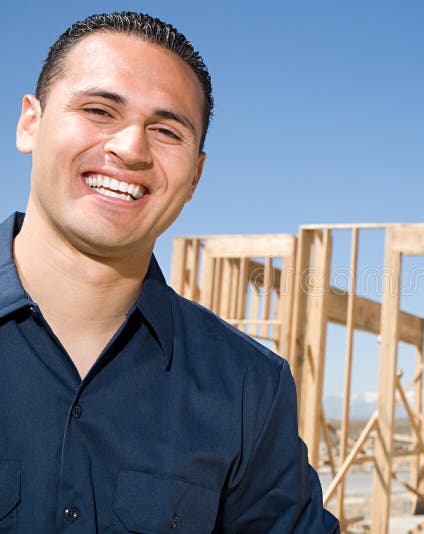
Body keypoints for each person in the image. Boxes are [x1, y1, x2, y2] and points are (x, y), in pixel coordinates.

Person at [1, 11, 339, 532]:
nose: (130, 148)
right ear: (30, 123)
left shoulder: (248, 388)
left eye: (165, 130)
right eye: (99, 110)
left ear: (196, 175)